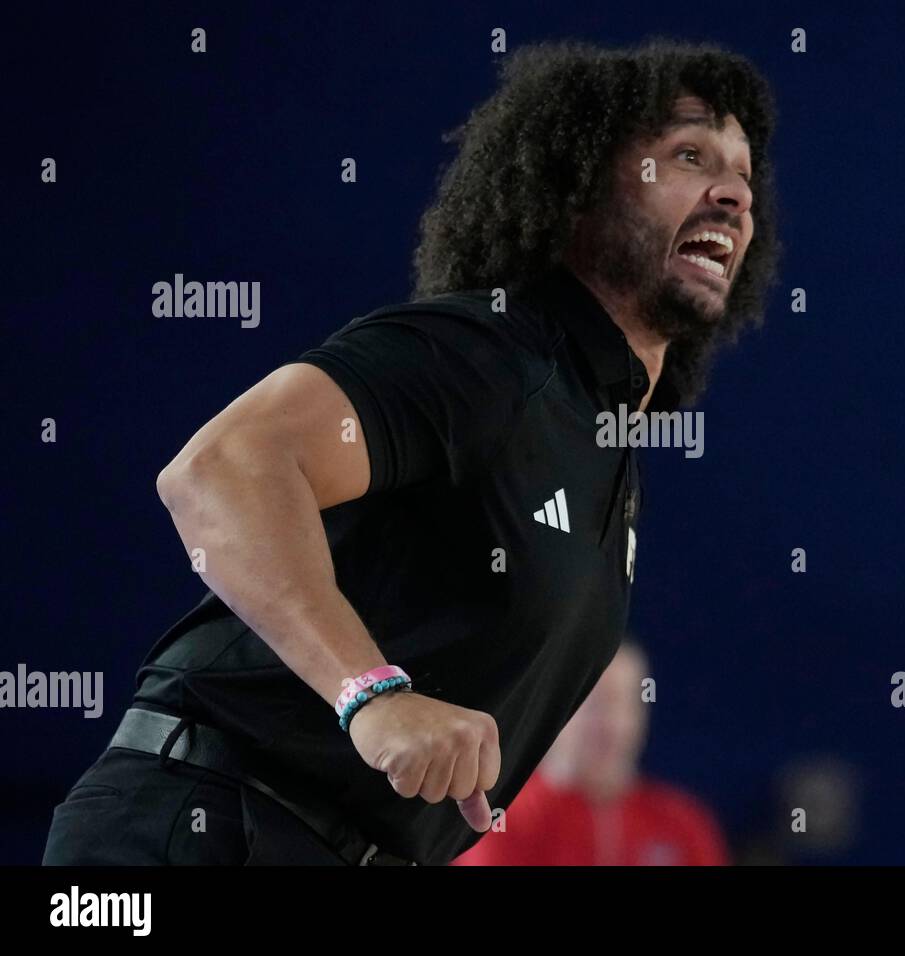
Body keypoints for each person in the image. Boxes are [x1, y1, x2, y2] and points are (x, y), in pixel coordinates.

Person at [42, 39, 778, 866]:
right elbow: (222, 466)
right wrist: (371, 693)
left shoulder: (605, 453)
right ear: (578, 186)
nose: (733, 195)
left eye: (745, 176)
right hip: (201, 822)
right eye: (689, 155)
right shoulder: (489, 354)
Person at [452, 640, 729, 865]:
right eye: (595, 705)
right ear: (557, 710)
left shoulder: (683, 824)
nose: (612, 726)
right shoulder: (506, 819)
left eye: (624, 705)